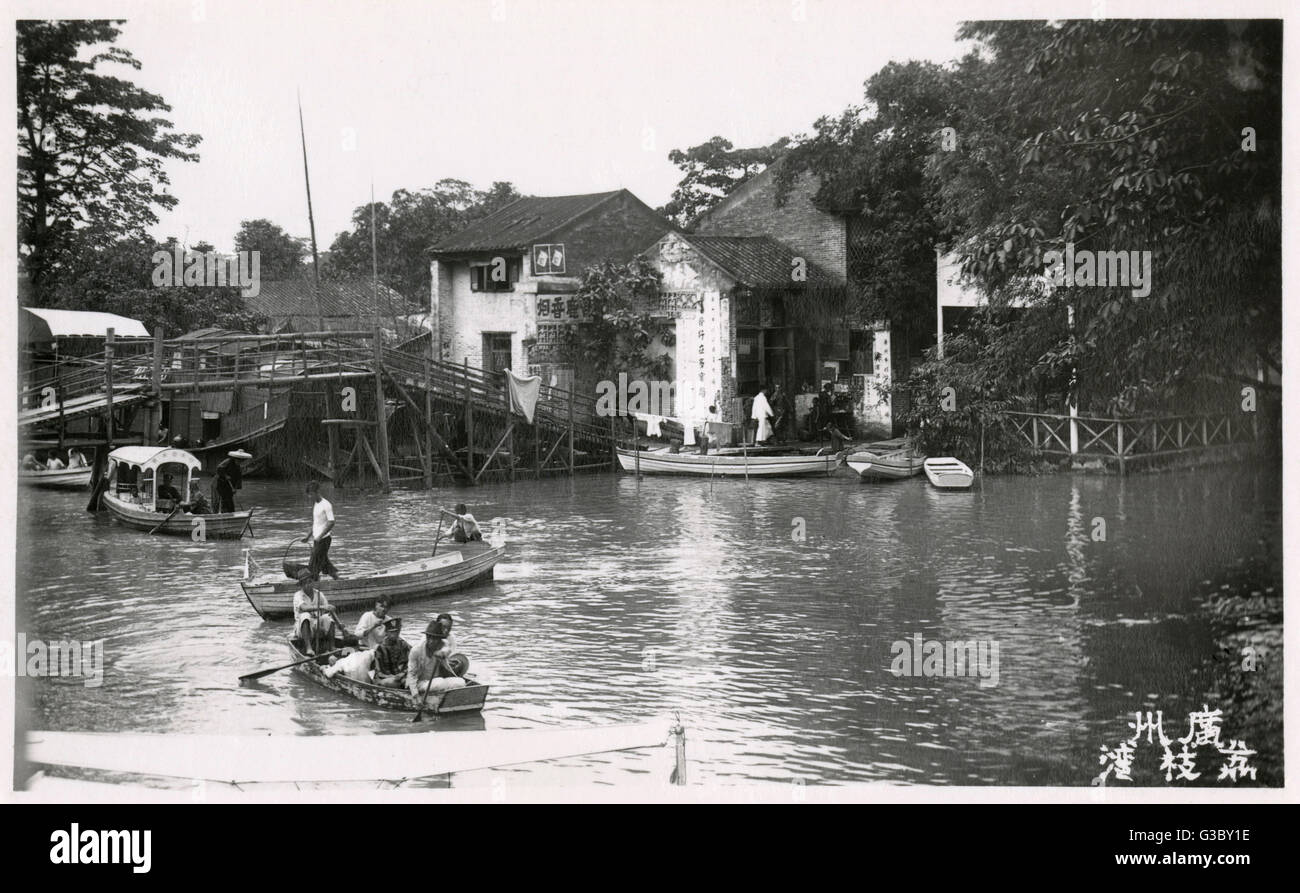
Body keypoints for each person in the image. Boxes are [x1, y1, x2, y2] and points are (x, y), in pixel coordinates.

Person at [407, 621, 467, 699]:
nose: (431, 641)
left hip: (438, 681)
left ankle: (445, 696)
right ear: (426, 637)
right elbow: (411, 675)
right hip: (421, 682)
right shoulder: (416, 650)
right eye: (429, 637)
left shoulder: (443, 645)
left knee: (461, 682)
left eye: (434, 638)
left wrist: (441, 653)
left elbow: (447, 649)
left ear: (439, 639)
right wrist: (416, 695)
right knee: (439, 683)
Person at [293, 569, 342, 654]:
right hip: (302, 628)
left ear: (313, 582)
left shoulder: (319, 594)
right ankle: (309, 648)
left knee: (327, 618)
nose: (308, 585)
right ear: (301, 585)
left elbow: (328, 610)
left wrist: (340, 625)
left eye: (309, 582)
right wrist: (322, 607)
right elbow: (304, 608)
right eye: (305, 583)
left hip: (317, 625)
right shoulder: (298, 595)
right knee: (305, 615)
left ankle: (332, 646)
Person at [306, 480, 341, 580]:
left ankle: (313, 583)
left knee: (314, 563)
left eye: (311, 494)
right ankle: (336, 579)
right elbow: (315, 523)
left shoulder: (326, 505)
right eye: (308, 495)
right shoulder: (316, 505)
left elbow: (331, 522)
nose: (310, 497)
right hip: (317, 539)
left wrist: (320, 536)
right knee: (323, 561)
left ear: (316, 492)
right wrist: (308, 536)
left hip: (324, 539)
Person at [372, 618, 411, 688]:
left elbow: (411, 662)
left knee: (409, 682)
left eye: (396, 632)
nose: (394, 634)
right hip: (385, 678)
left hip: (401, 675)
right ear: (386, 632)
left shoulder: (403, 644)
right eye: (391, 632)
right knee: (393, 682)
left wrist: (403, 673)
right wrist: (392, 676)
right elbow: (379, 672)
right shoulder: (380, 648)